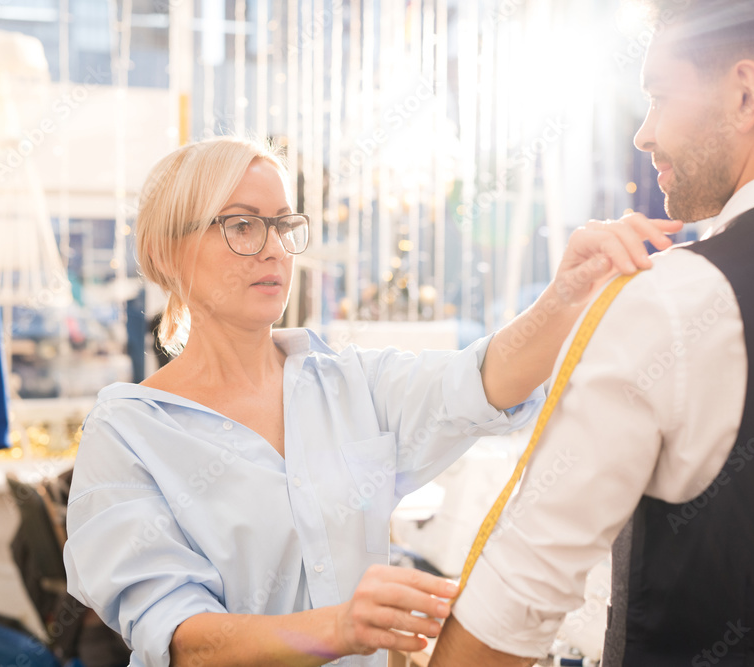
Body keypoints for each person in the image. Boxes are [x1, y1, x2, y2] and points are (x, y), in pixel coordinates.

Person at [430, 1, 754, 665]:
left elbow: (513, 607)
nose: (644, 133)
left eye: (660, 96)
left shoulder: (669, 300)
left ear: (745, 94)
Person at [62, 136, 680, 667]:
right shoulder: (127, 434)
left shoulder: (350, 383)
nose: (274, 248)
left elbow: (483, 379)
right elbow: (180, 640)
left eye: (282, 224)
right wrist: (339, 629)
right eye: (243, 225)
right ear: (169, 253)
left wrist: (566, 293)